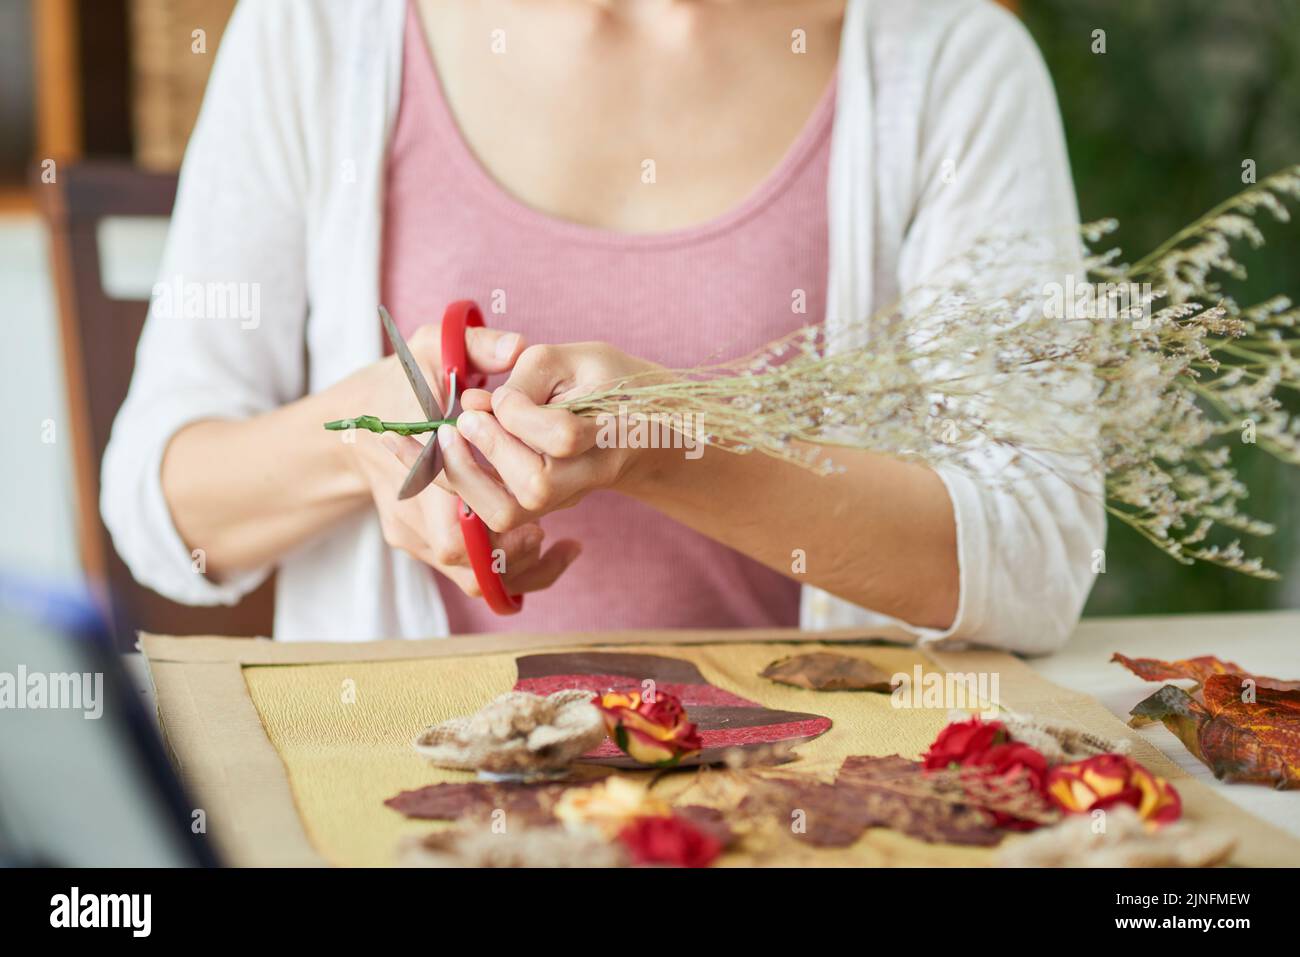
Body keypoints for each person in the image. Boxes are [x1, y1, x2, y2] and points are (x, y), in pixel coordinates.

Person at [102, 0, 1104, 651]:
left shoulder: (950, 64)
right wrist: (360, 440)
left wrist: (666, 443)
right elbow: (163, 517)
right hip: (391, 813)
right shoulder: (313, 35)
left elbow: (1038, 557)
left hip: (819, 819)